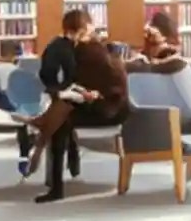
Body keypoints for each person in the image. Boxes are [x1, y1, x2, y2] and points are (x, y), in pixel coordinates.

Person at [33, 32, 132, 203]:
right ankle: (49, 133)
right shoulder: (114, 62)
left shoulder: (86, 67)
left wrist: (84, 94)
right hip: (118, 112)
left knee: (61, 119)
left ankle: (56, 187)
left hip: (105, 113)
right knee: (64, 109)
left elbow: (96, 96)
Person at [24, 9, 95, 181]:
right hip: (61, 94)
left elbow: (50, 77)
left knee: (62, 108)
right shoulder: (66, 48)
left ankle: (41, 140)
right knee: (65, 107)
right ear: (82, 29)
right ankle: (45, 143)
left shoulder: (58, 45)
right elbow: (66, 78)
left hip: (59, 94)